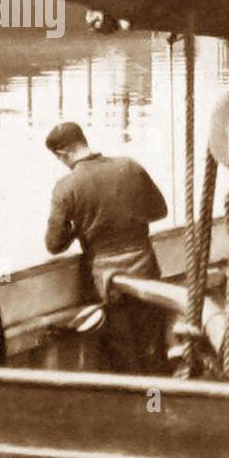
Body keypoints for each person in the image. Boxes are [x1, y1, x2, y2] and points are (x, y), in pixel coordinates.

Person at [44, 122, 169, 374]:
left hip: (108, 282)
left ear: (62, 154)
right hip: (146, 270)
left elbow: (54, 245)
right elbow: (160, 211)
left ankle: (137, 409)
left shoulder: (66, 188)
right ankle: (156, 407)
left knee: (124, 355)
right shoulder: (130, 166)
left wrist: (79, 226)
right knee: (153, 350)